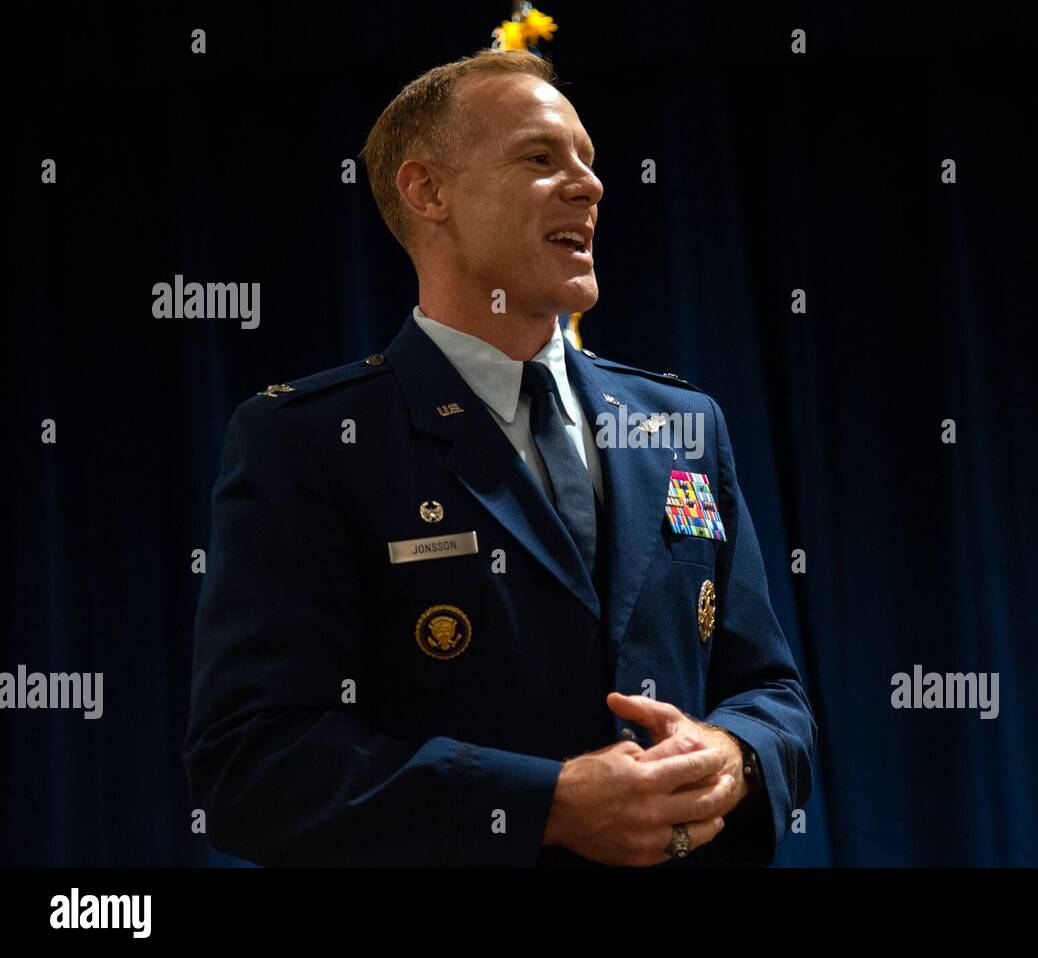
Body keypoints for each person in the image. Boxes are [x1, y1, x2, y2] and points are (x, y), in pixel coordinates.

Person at [183, 48, 816, 867]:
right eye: (541, 158)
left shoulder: (679, 423)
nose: (589, 187)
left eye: (590, 163)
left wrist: (733, 756)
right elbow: (250, 763)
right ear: (428, 191)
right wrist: (543, 805)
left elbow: (773, 696)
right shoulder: (308, 442)